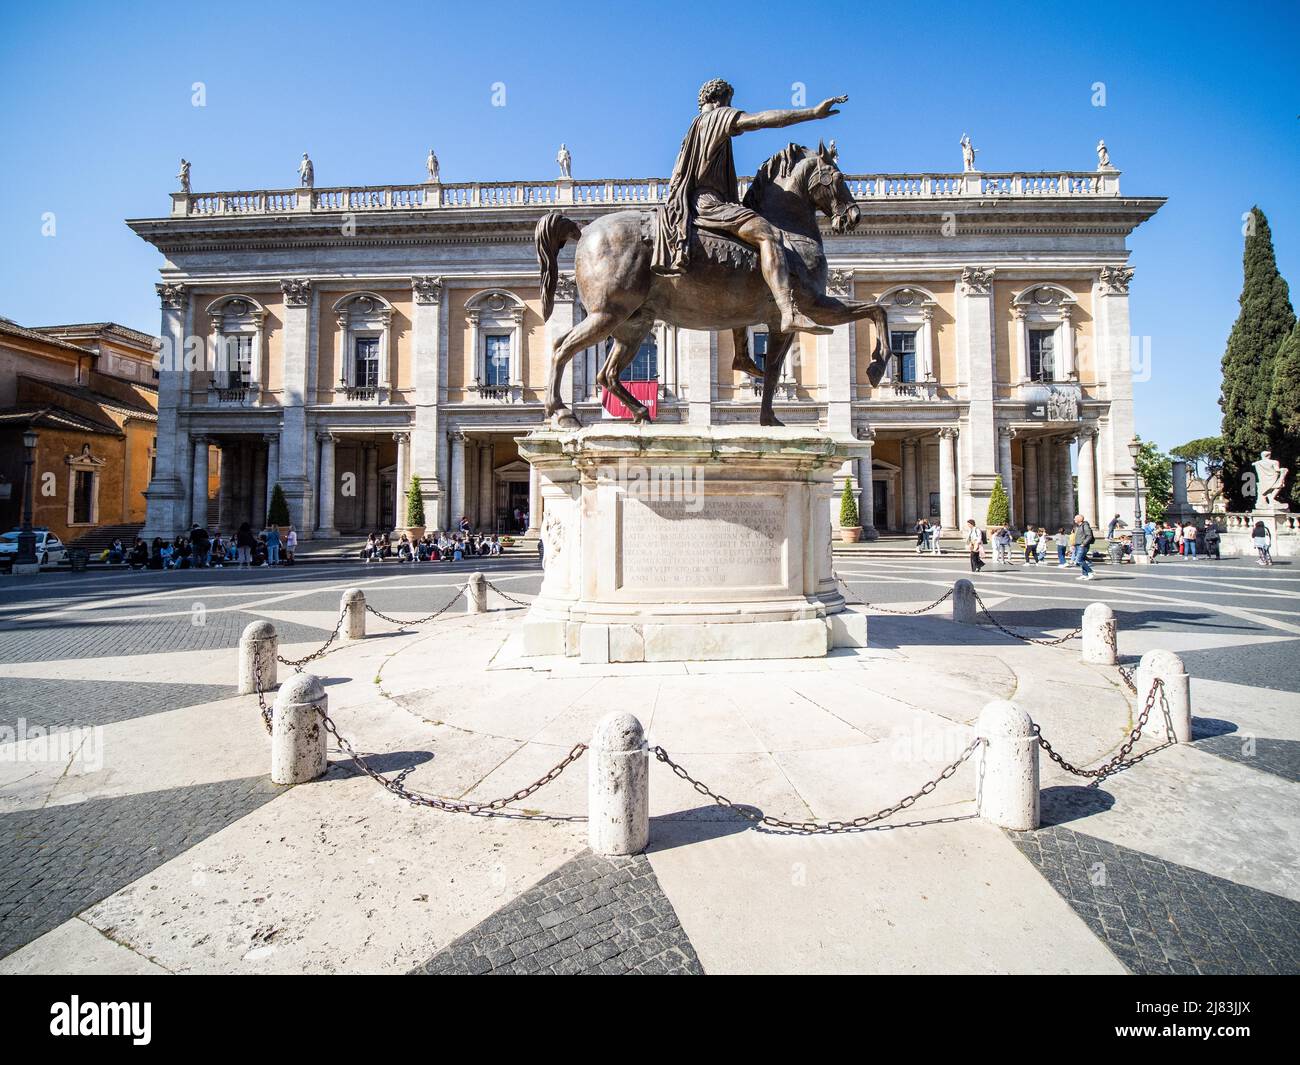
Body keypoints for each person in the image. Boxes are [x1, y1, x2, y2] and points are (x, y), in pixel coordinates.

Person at [652, 77, 847, 336]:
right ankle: (789, 312)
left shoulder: (694, 128)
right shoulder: (715, 119)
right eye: (730, 101)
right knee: (769, 234)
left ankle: (741, 352)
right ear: (719, 100)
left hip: (698, 201)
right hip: (709, 203)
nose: (732, 107)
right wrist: (812, 112)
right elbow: (762, 120)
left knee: (743, 267)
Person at [1071, 513, 1096, 581]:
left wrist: (1084, 544)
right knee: (1082, 560)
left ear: (1079, 519)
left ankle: (1090, 571)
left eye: (1075, 518)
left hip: (1082, 545)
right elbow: (1076, 536)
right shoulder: (1078, 526)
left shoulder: (1085, 526)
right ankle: (1085, 574)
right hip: (1077, 545)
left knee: (1078, 560)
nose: (1074, 519)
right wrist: (1074, 544)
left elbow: (1089, 535)